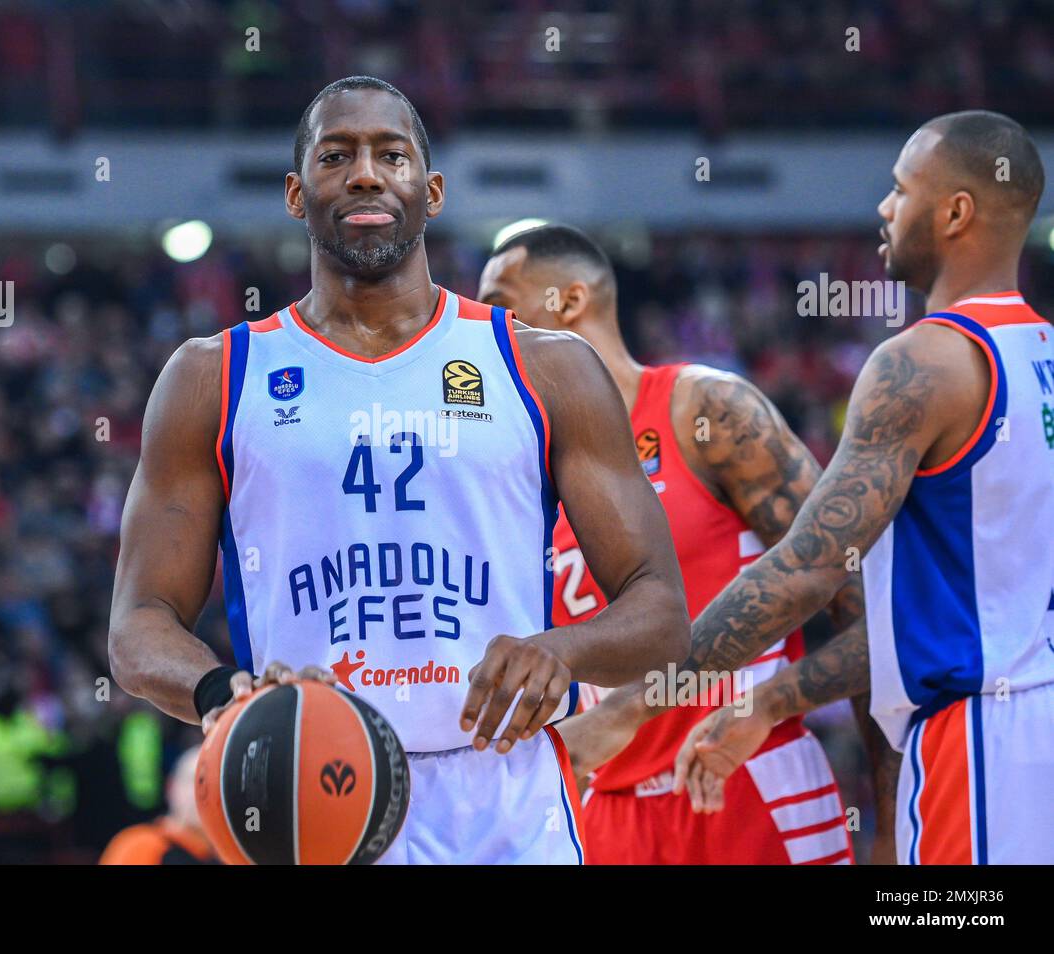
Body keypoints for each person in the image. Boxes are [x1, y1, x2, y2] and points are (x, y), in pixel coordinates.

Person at [107, 76, 689, 864]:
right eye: (335, 156)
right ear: (294, 192)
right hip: (312, 793)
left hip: (505, 798)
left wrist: (564, 651)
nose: (366, 174)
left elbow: (660, 611)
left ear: (433, 189)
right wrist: (223, 696)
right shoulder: (214, 377)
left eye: (393, 154)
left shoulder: (544, 365)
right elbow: (139, 624)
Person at [648, 111, 1051, 865]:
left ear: (956, 211)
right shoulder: (1042, 352)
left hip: (987, 739)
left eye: (899, 190)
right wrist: (769, 701)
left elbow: (807, 567)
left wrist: (642, 698)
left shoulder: (923, 363)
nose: (882, 209)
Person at [480, 224, 892, 865]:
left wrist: (887, 816)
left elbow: (860, 604)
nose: (486, 329)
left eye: (501, 304)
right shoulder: (520, 471)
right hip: (606, 808)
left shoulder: (705, 409)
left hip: (746, 784)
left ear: (571, 301)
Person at [99, 747, 216, 865]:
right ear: (170, 786)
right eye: (194, 780)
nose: (198, 792)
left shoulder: (225, 854)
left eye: (213, 783)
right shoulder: (142, 845)